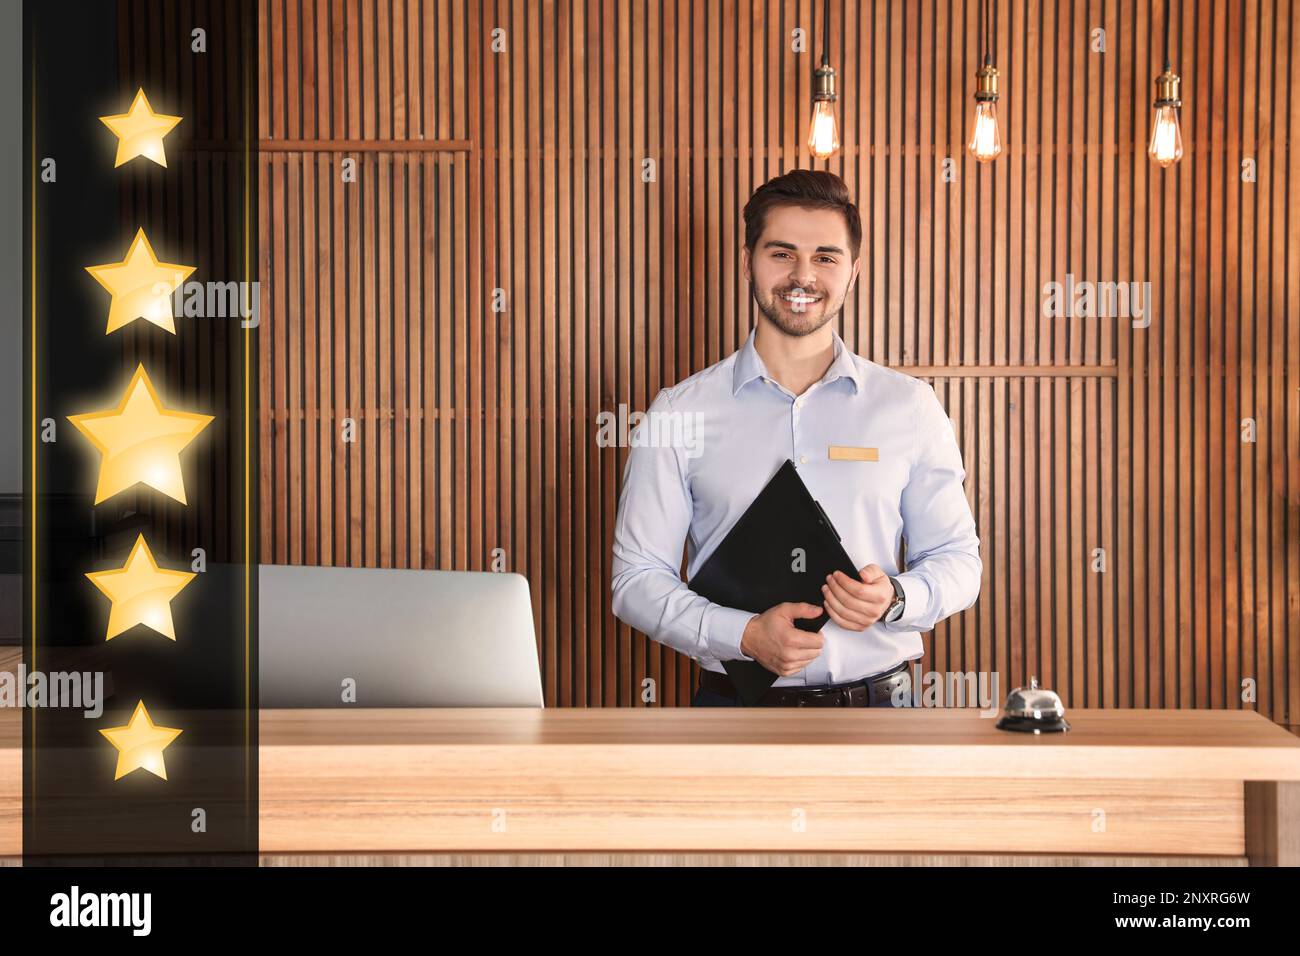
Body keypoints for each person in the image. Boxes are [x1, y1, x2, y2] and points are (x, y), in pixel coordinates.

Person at [610, 169, 982, 707]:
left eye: (825, 258)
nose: (803, 276)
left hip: (881, 717)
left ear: (852, 273)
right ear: (747, 263)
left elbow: (958, 560)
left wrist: (896, 597)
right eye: (781, 254)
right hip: (733, 718)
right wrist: (741, 635)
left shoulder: (910, 406)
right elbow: (636, 580)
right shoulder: (677, 412)